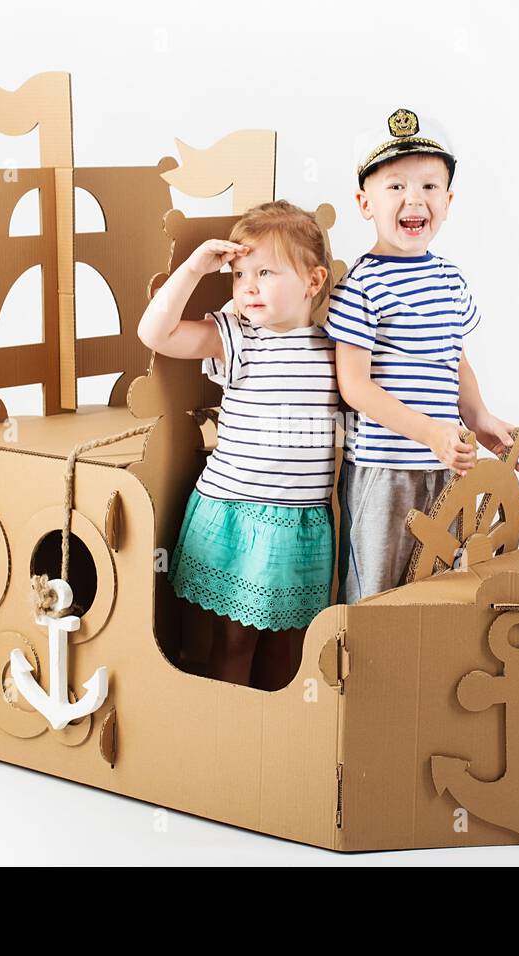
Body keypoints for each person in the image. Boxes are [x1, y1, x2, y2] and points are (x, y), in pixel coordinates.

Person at [328, 108, 519, 605]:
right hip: (386, 470)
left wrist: (479, 417)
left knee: (441, 583)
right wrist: (430, 433)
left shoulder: (450, 279)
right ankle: (368, 677)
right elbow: (354, 386)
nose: (413, 199)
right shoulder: (361, 285)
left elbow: (453, 358)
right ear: (364, 203)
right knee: (378, 591)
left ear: (448, 201)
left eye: (428, 187)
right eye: (395, 187)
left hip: (447, 466)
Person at [137, 200, 337, 690]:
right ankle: (228, 738)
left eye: (265, 272)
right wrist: (192, 269)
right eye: (239, 274)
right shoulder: (240, 338)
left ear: (313, 281)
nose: (247, 285)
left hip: (301, 522)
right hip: (237, 513)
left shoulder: (337, 345)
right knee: (233, 643)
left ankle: (270, 742)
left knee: (287, 647)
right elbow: (154, 333)